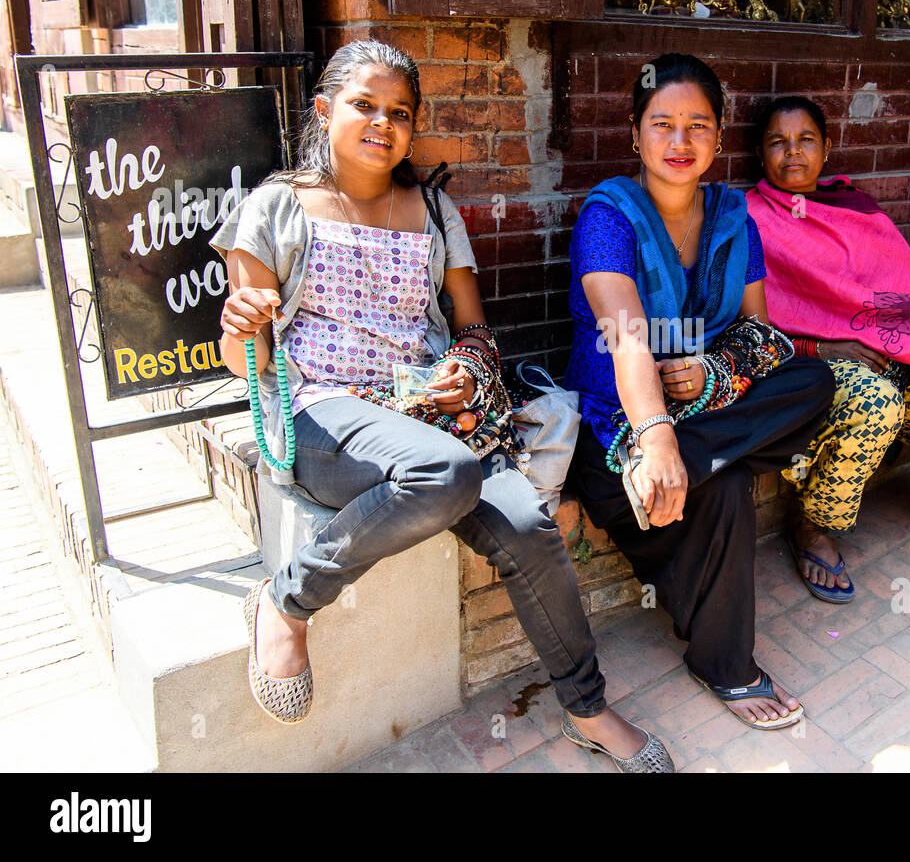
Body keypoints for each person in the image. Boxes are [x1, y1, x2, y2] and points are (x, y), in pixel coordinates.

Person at [212, 39, 672, 772]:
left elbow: (474, 326)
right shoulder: (274, 207)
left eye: (400, 113)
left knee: (527, 521)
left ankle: (586, 708)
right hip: (324, 413)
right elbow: (253, 360)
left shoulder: (431, 208)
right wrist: (243, 322)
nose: (382, 124)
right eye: (363, 106)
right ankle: (287, 601)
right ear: (325, 110)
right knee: (447, 472)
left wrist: (466, 363)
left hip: (428, 413)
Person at [565, 54, 835, 730]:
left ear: (717, 137)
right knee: (728, 484)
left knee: (814, 380)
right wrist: (655, 436)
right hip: (617, 434)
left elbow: (761, 335)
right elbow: (626, 337)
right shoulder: (608, 218)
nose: (680, 143)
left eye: (698, 126)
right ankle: (725, 664)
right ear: (634, 134)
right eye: (662, 125)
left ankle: (692, 456)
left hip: (711, 412)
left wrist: (715, 377)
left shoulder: (733, 217)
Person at [747, 96, 910, 592]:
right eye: (777, 143)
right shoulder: (749, 217)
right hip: (811, 356)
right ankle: (815, 523)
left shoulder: (854, 206)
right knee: (875, 402)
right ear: (760, 155)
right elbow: (751, 329)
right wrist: (823, 349)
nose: (792, 152)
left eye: (806, 140)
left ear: (826, 149)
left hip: (888, 340)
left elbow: (899, 284)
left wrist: (902, 333)